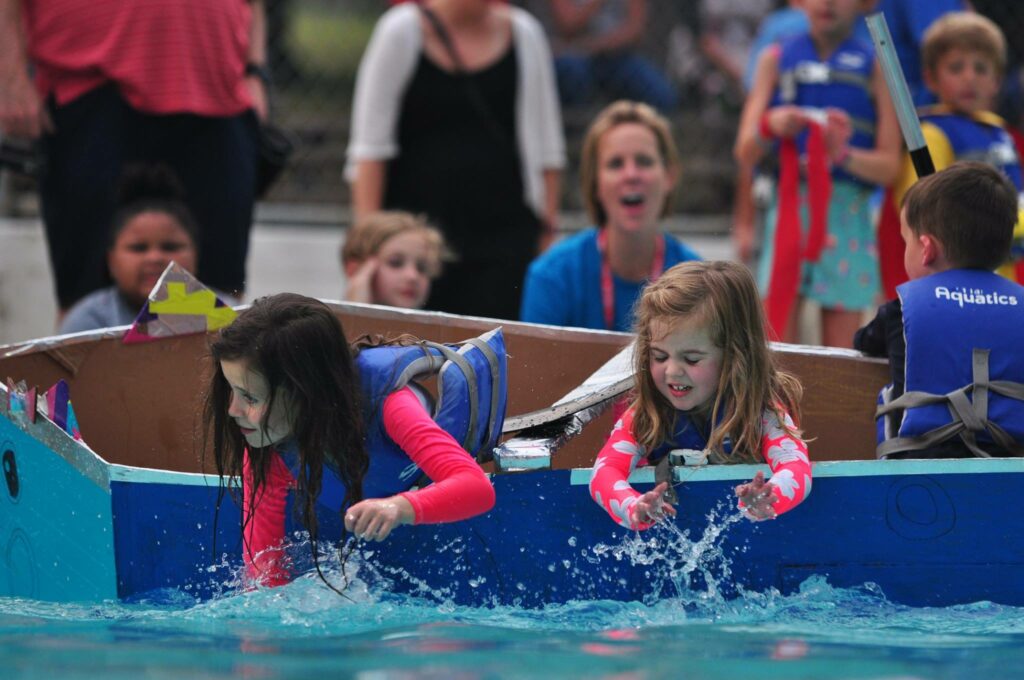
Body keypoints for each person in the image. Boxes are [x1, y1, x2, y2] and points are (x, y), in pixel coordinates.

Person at [204, 293, 498, 587]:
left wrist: (399, 508)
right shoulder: (267, 449)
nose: (232, 410)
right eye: (232, 391)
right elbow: (263, 574)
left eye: (250, 397)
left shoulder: (392, 408)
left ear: (305, 393)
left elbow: (476, 487)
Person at [0, 0, 266, 316]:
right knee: (88, 296)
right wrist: (10, 75)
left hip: (215, 91)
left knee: (215, 301)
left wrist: (255, 70)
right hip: (91, 87)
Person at [346, 0, 565, 321]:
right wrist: (370, 247)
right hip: (419, 252)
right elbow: (370, 151)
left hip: (503, 243)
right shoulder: (401, 31)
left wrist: (547, 235)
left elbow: (548, 149)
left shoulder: (525, 34)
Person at [589, 260, 812, 530]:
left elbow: (797, 467)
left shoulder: (760, 412)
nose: (672, 371)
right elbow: (604, 472)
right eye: (660, 356)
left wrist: (769, 496)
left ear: (734, 356)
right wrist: (633, 506)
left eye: (692, 359)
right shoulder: (645, 416)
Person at [734, 0, 901, 348]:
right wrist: (771, 126)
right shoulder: (775, 58)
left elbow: (890, 167)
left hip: (847, 216)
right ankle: (776, 406)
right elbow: (745, 150)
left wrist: (842, 156)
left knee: (840, 358)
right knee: (776, 350)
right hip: (789, 214)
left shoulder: (877, 66)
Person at [854, 162, 1024, 459]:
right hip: (1012, 460)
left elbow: (864, 342)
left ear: (926, 249)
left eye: (906, 240)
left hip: (919, 465)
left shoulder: (900, 310)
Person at [877, 12, 1024, 298]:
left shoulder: (1002, 135)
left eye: (981, 69)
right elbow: (916, 206)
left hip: (1004, 277)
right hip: (953, 283)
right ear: (931, 78)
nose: (970, 78)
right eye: (956, 68)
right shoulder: (931, 134)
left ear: (997, 80)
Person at [520, 100, 702, 332]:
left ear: (669, 177)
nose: (631, 174)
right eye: (616, 164)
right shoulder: (551, 277)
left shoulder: (699, 284)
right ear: (595, 183)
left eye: (644, 161)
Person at [58, 166, 205, 334]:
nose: (155, 258)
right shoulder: (87, 323)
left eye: (169, 247)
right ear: (111, 261)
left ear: (196, 255)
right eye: (139, 248)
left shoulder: (231, 318)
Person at [549, 0, 678, 113]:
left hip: (617, 57)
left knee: (662, 95)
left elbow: (634, 31)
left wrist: (592, 45)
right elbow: (568, 24)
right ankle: (576, 134)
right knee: (570, 71)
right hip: (576, 58)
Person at [340, 211, 447, 310]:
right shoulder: (329, 328)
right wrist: (357, 307)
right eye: (395, 263)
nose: (413, 276)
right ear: (355, 269)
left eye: (422, 268)